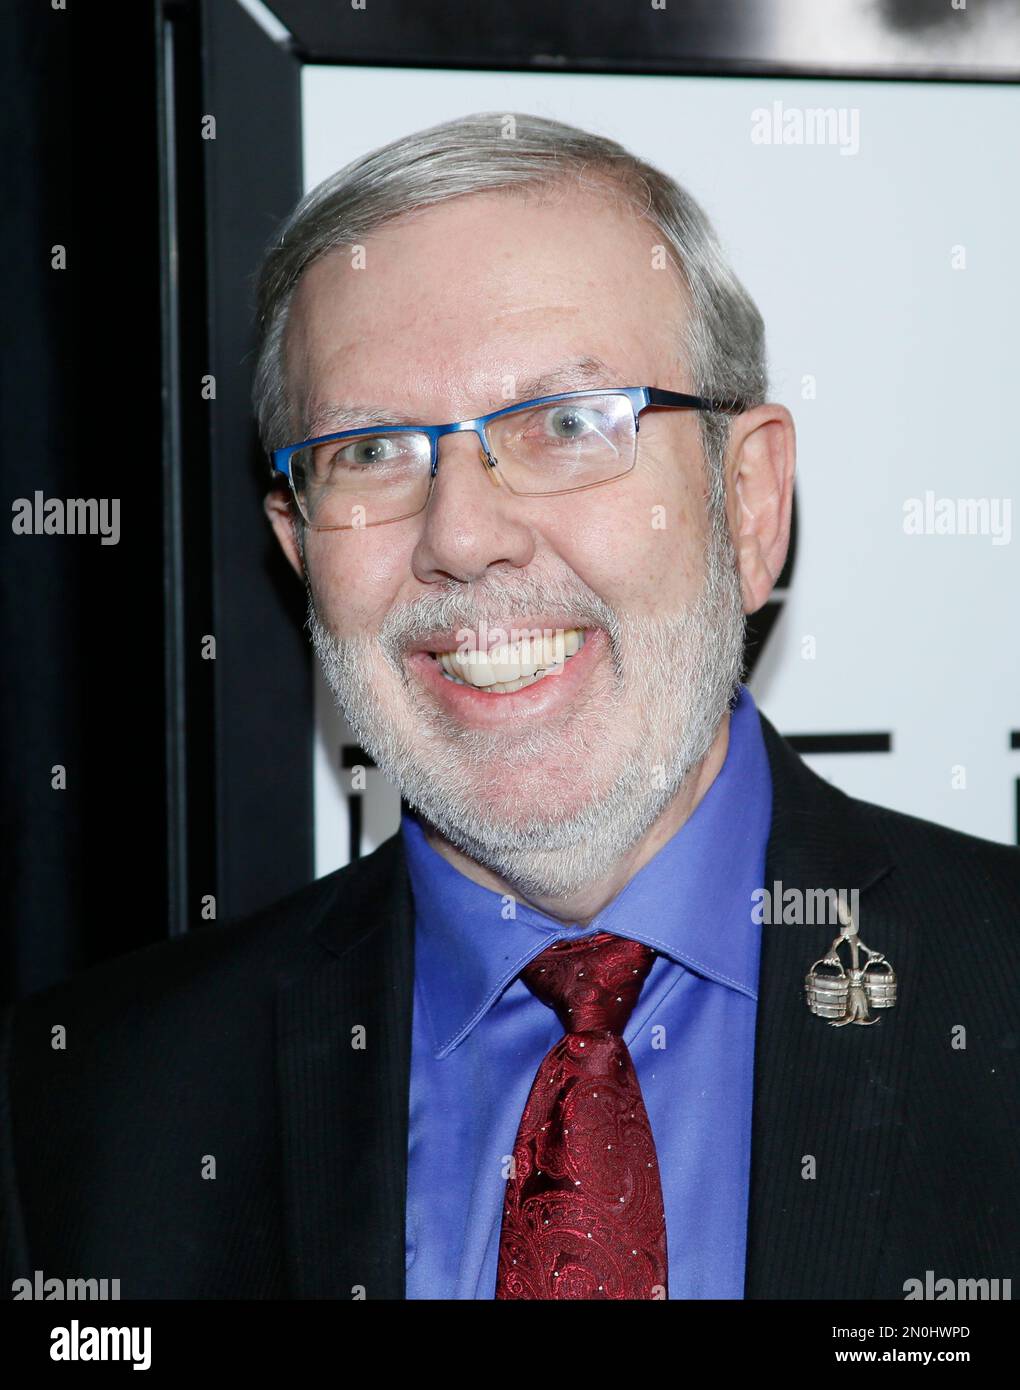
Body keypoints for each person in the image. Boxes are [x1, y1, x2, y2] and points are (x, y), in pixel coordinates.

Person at [2, 113, 1017, 1301]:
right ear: (296, 545)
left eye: (569, 424)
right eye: (372, 451)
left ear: (747, 504)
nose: (463, 536)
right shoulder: (90, 1116)